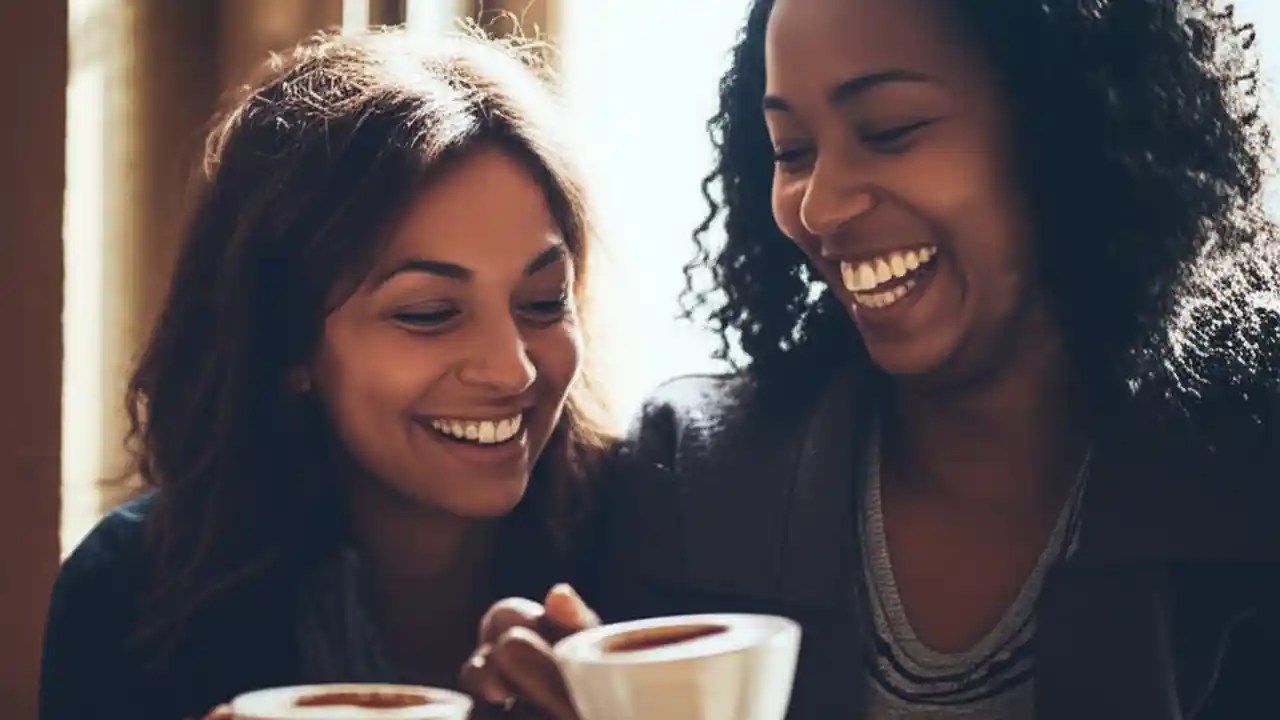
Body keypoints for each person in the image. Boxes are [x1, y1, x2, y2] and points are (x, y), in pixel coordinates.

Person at [462, 0, 1280, 718]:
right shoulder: (693, 477)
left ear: (1068, 124)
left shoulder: (1251, 462)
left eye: (889, 131)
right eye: (790, 150)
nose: (819, 206)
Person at [39, 28, 614, 720]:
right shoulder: (133, 596)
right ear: (287, 343)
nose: (512, 366)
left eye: (543, 302)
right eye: (430, 313)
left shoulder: (650, 544)